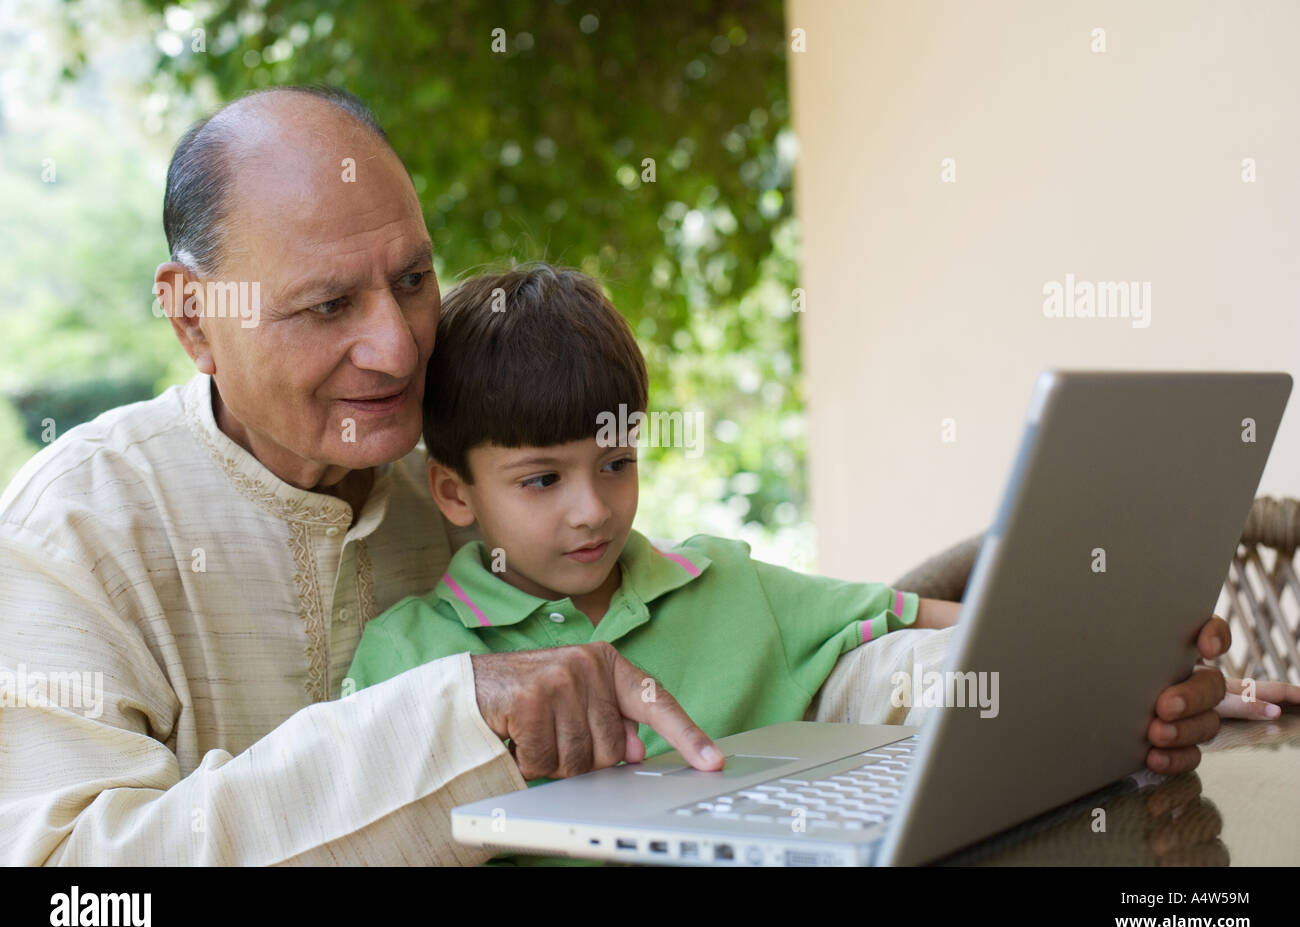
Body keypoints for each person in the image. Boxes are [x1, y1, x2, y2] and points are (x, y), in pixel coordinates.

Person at [0, 86, 1258, 867]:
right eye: (326, 304)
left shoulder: (460, 445)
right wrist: (461, 712)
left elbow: (734, 652)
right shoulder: (78, 527)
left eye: (413, 279)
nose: (395, 346)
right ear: (189, 314)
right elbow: (75, 883)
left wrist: (1059, 679)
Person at [346, 264, 967, 784]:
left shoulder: (729, 585)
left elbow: (934, 617)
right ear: (455, 494)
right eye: (543, 480)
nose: (593, 510)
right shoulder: (408, 655)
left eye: (616, 463)